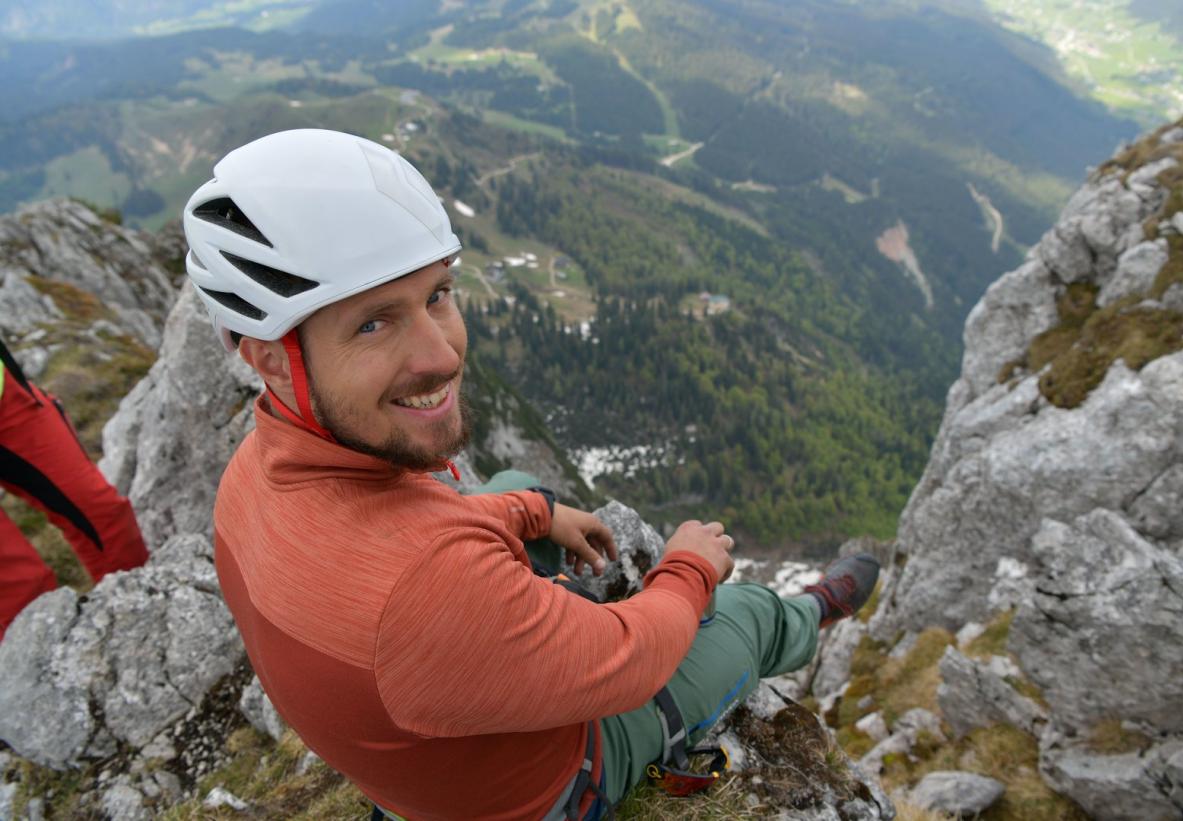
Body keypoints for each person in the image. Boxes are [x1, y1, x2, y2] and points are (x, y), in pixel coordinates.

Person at [184, 129, 879, 820]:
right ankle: (810, 612)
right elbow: (633, 660)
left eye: (437, 295)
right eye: (373, 324)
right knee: (744, 613)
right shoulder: (426, 586)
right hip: (549, 784)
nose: (441, 354)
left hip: (416, 768)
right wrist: (688, 570)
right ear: (273, 359)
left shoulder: (247, 482)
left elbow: (422, 543)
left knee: (511, 482)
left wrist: (534, 511)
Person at [0, 336, 148, 640]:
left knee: (103, 513)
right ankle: (49, 674)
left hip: (8, 403)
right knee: (20, 589)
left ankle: (140, 621)